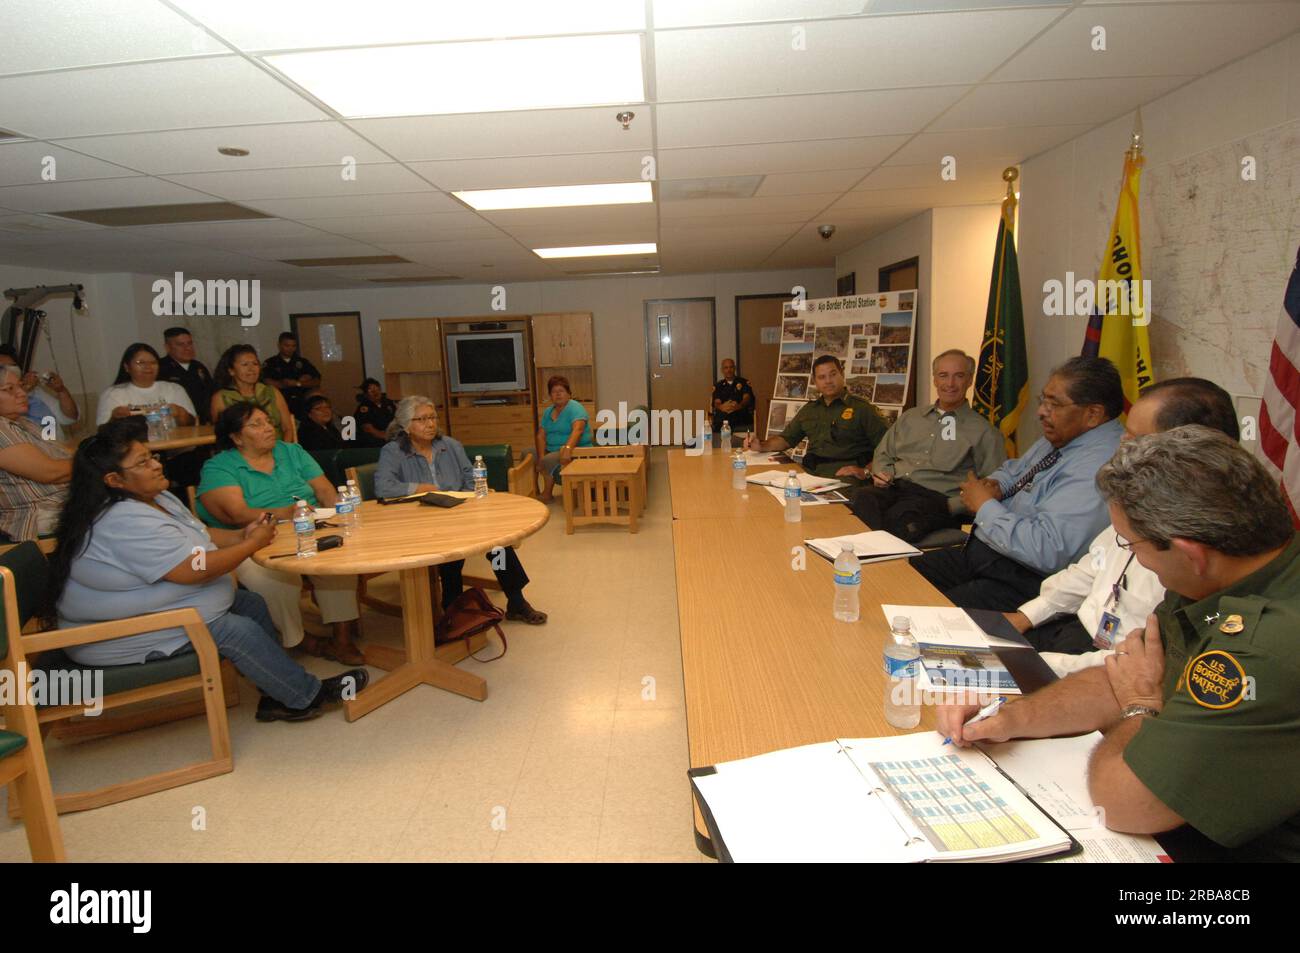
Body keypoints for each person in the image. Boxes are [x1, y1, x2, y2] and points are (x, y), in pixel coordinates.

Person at [938, 426, 1300, 862]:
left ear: (1191, 554)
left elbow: (1127, 804)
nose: (1133, 558)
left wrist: (1141, 706)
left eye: (1132, 544)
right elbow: (1125, 675)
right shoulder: (1220, 573)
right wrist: (1013, 717)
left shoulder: (1261, 647)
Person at [46, 419, 366, 723]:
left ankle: (276, 691)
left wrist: (242, 535)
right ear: (114, 480)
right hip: (115, 633)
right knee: (235, 630)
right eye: (142, 463)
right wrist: (249, 546)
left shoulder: (156, 498)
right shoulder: (122, 519)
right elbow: (191, 569)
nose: (157, 464)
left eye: (151, 456)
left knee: (252, 604)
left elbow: (203, 536)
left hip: (160, 613)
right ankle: (303, 696)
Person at [1013, 378, 1240, 669]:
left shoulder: (1192, 546)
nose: (1121, 447)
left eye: (1135, 441)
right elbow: (1092, 566)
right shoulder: (1138, 500)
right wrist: (1026, 616)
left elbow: (1139, 665)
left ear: (1187, 453)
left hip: (1104, 666)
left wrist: (1032, 666)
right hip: (1075, 633)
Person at [910, 356, 1125, 611]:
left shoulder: (1100, 466)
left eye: (1054, 404)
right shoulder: (1062, 436)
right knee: (902, 577)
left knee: (927, 612)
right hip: (987, 554)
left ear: (1093, 414)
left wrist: (985, 505)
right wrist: (995, 484)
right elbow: (1014, 470)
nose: (1041, 411)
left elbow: (1048, 550)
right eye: (1042, 400)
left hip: (1023, 581)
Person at [196, 403, 362, 664]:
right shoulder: (220, 467)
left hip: (310, 525)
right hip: (251, 539)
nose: (268, 428)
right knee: (272, 579)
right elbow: (236, 514)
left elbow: (324, 491)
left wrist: (341, 520)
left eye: (268, 421)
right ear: (236, 437)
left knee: (338, 561)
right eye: (256, 424)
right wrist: (286, 512)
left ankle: (342, 639)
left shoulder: (291, 451)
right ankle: (301, 639)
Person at [377, 397, 547, 624]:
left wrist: (474, 500)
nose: (430, 424)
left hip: (458, 512)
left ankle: (516, 600)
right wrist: (418, 488)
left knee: (498, 545)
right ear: (406, 425)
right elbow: (383, 486)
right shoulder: (393, 451)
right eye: (422, 419)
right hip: (420, 522)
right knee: (451, 554)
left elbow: (470, 477)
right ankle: (452, 606)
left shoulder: (450, 445)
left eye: (432, 418)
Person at [845, 349, 1005, 542]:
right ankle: (868, 555)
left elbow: (994, 485)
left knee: (899, 519)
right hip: (895, 487)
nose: (950, 384)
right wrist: (882, 474)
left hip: (937, 500)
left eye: (959, 376)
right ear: (935, 380)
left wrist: (952, 505)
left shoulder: (984, 432)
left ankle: (882, 563)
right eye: (943, 376)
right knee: (860, 498)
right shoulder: (911, 417)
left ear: (970, 380)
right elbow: (883, 453)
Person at [743, 355, 888, 481]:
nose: (828, 381)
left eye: (833, 374)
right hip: (811, 474)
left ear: (842, 375)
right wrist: (761, 445)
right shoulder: (810, 410)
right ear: (815, 381)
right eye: (822, 377)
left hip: (846, 478)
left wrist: (866, 471)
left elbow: (890, 448)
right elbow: (786, 439)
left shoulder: (862, 409)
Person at [0, 365, 72, 540]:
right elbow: (51, 473)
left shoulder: (23, 422)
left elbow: (66, 453)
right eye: (9, 389)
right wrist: (96, 460)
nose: (22, 393)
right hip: (40, 521)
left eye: (20, 385)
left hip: (67, 507)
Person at [210, 344, 297, 444]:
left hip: (278, 450)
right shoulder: (221, 398)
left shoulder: (272, 392)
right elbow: (222, 436)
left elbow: (288, 429)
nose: (251, 369)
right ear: (231, 371)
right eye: (245, 364)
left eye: (255, 364)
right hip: (241, 454)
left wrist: (283, 451)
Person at [96, 343, 196, 426]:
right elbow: (103, 433)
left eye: (153, 363)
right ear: (127, 367)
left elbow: (194, 425)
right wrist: (113, 418)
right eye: (140, 362)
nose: (148, 367)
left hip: (176, 446)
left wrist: (181, 413)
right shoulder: (113, 394)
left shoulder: (174, 389)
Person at [0, 345, 79, 440]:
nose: (10, 371)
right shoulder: (7, 425)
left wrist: (60, 390)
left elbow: (70, 417)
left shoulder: (36, 393)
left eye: (12, 366)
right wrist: (25, 388)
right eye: (2, 368)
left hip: (57, 449)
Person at [534, 375, 592, 502]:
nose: (558, 394)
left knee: (548, 459)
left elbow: (578, 430)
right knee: (528, 454)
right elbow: (541, 435)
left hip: (576, 449)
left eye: (561, 391)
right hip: (552, 448)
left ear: (569, 394)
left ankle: (547, 493)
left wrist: (567, 449)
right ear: (550, 395)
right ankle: (533, 490)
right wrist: (539, 456)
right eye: (554, 392)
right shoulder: (548, 411)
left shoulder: (575, 407)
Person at [157, 327, 216, 425]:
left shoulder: (199, 367)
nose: (187, 348)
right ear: (167, 347)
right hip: (177, 423)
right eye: (181, 344)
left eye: (190, 343)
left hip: (203, 422)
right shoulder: (161, 368)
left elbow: (210, 394)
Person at [262, 332, 321, 419]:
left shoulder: (303, 362)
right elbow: (265, 380)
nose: (290, 349)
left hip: (302, 403)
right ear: (279, 345)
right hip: (280, 403)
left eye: (293, 346)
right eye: (287, 345)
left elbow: (316, 380)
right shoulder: (270, 363)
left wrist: (298, 383)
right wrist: (282, 384)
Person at [711, 358, 754, 432]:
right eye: (726, 368)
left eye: (731, 367)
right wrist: (723, 407)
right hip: (723, 416)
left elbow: (746, 399)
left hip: (740, 415)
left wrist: (738, 406)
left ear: (735, 368)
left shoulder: (744, 382)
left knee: (736, 416)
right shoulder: (718, 385)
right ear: (722, 370)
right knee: (720, 418)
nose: (729, 370)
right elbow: (717, 402)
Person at [353, 378, 396, 447]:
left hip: (392, 435)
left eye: (377, 388)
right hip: (375, 440)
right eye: (370, 390)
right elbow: (368, 428)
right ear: (366, 393)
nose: (375, 392)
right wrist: (385, 436)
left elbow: (398, 419)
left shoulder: (389, 403)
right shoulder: (364, 407)